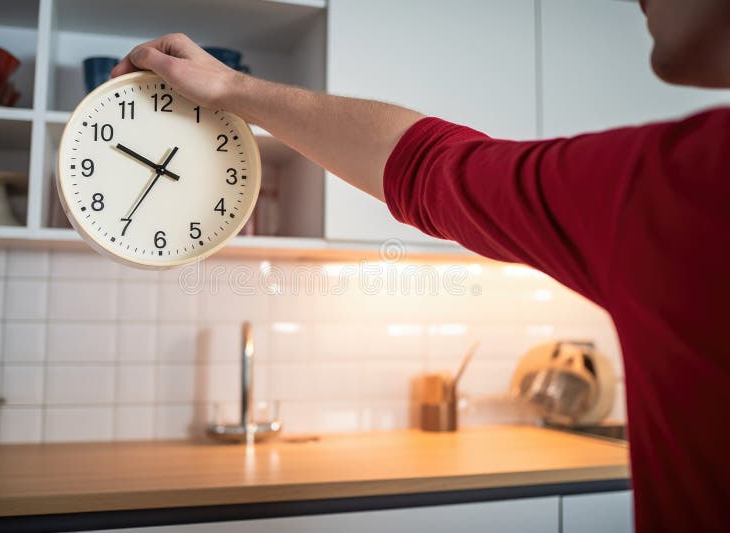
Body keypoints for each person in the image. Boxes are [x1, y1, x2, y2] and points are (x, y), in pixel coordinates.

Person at [112, 1, 730, 530]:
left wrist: (238, 90)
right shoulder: (675, 176)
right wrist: (233, 91)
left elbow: (426, 165)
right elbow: (426, 164)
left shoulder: (675, 184)